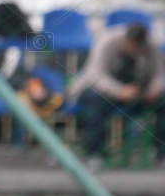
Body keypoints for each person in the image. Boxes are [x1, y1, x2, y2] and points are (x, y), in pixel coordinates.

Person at [71, 22, 165, 168]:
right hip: (99, 91)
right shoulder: (107, 41)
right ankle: (94, 154)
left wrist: (154, 89)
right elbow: (95, 75)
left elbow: (159, 75)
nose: (134, 50)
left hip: (135, 94)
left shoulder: (151, 45)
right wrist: (120, 91)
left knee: (163, 101)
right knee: (95, 100)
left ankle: (161, 155)